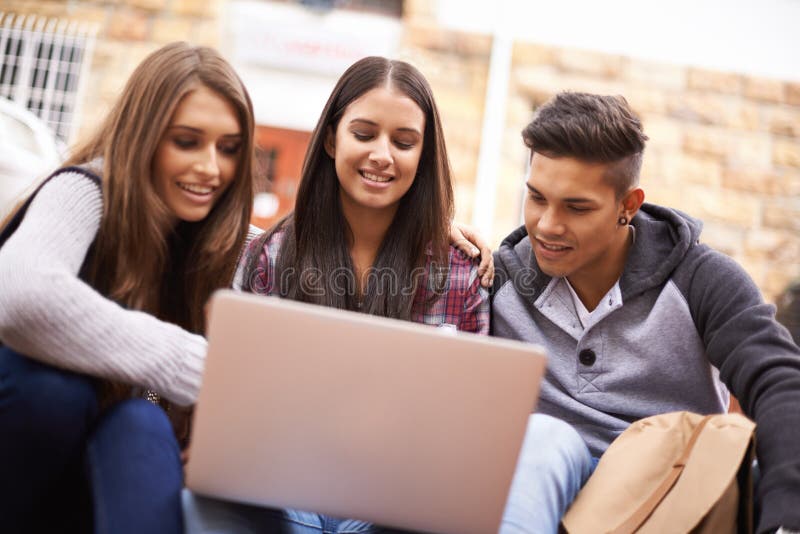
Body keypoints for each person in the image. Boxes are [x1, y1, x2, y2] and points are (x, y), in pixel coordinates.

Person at [183, 56, 592, 534]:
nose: (383, 155)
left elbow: (463, 426)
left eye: (404, 142)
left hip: (397, 505)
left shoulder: (459, 270)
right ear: (332, 139)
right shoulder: (272, 254)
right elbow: (231, 393)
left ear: (422, 156)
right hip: (283, 490)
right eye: (364, 134)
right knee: (200, 503)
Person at [491, 91, 800, 533]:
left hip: (660, 499)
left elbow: (780, 383)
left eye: (576, 207)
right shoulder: (497, 278)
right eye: (537, 197)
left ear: (628, 206)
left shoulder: (702, 280)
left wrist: (788, 519)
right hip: (532, 492)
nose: (546, 225)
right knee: (544, 440)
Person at [0, 41, 258, 534]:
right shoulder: (84, 190)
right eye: (187, 141)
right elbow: (22, 296)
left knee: (141, 424)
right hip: (22, 459)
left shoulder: (223, 237)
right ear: (143, 136)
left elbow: (315, 248)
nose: (211, 167)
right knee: (55, 391)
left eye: (229, 149)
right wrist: (198, 369)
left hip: (106, 483)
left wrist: (423, 227)